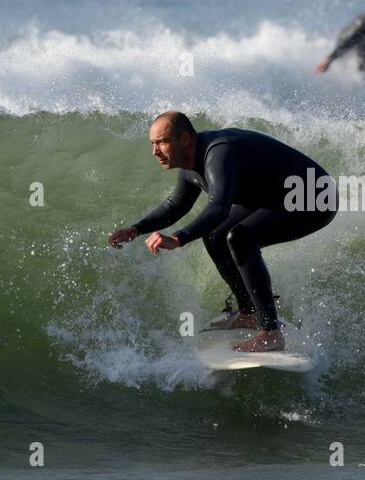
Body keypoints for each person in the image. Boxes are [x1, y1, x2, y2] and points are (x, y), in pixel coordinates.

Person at [109, 111, 335, 353]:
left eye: (161, 142)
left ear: (185, 139)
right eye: (153, 144)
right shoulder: (189, 164)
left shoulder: (218, 152)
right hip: (272, 194)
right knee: (215, 236)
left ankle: (271, 333)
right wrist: (136, 229)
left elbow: (219, 208)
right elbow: (176, 205)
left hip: (313, 196)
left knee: (240, 238)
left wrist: (179, 238)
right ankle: (249, 311)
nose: (155, 152)